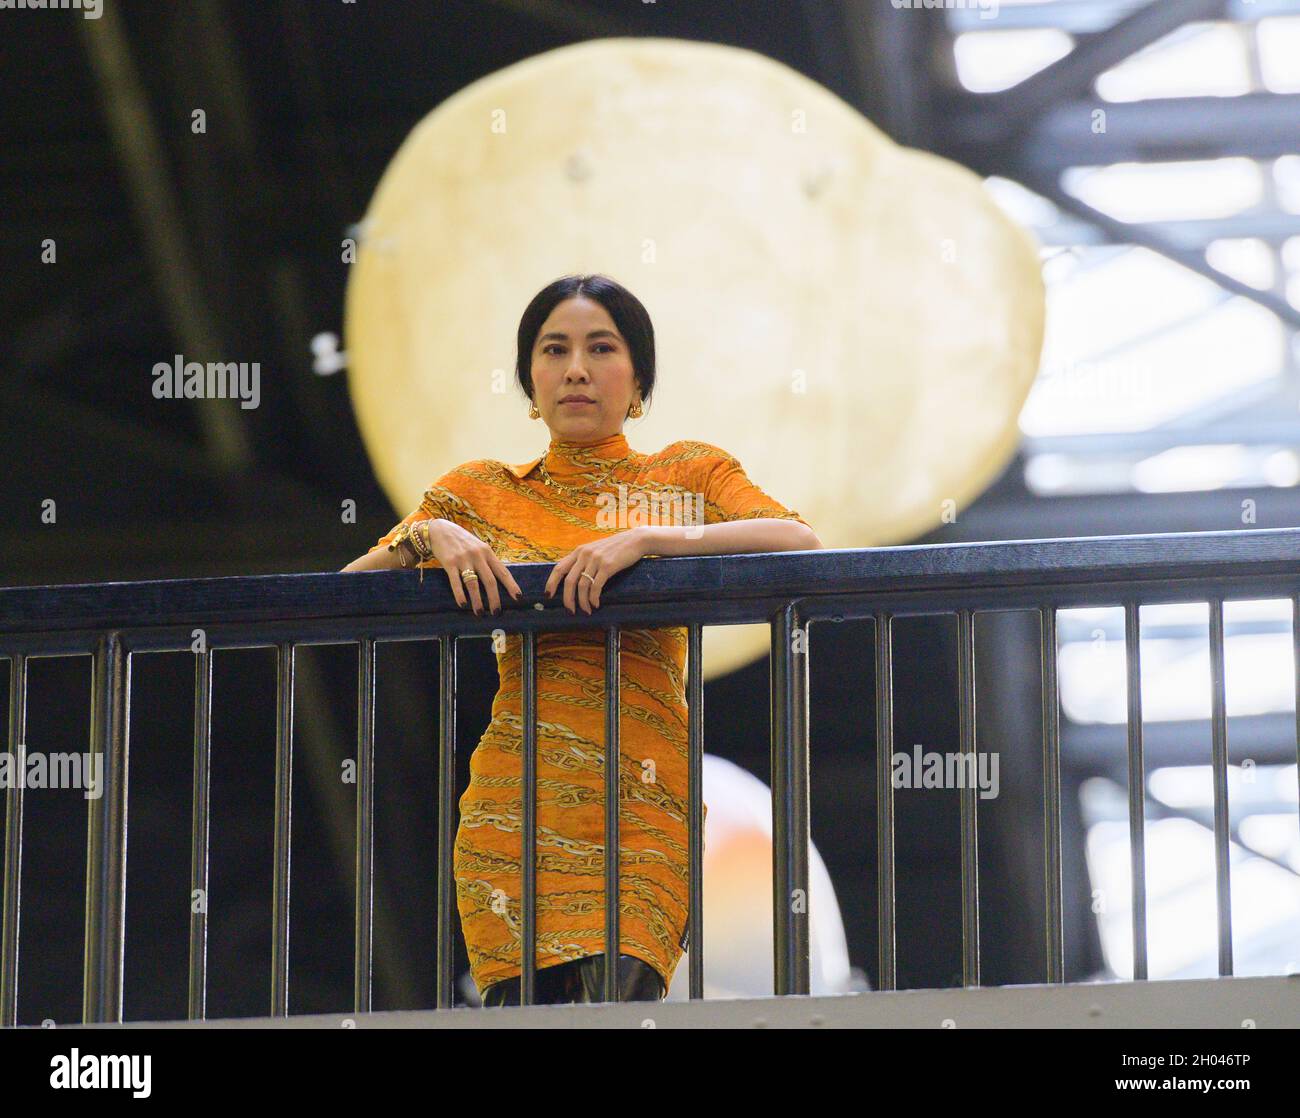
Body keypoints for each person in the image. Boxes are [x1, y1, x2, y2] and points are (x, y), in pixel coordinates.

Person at [342, 274, 821, 1005]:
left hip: (642, 804)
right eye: (553, 350)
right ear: (530, 383)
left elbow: (799, 542)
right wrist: (427, 534)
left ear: (637, 384)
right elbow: (343, 593)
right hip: (513, 806)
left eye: (601, 348)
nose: (575, 368)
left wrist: (644, 540)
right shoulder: (479, 492)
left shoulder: (684, 473)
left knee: (624, 1006)